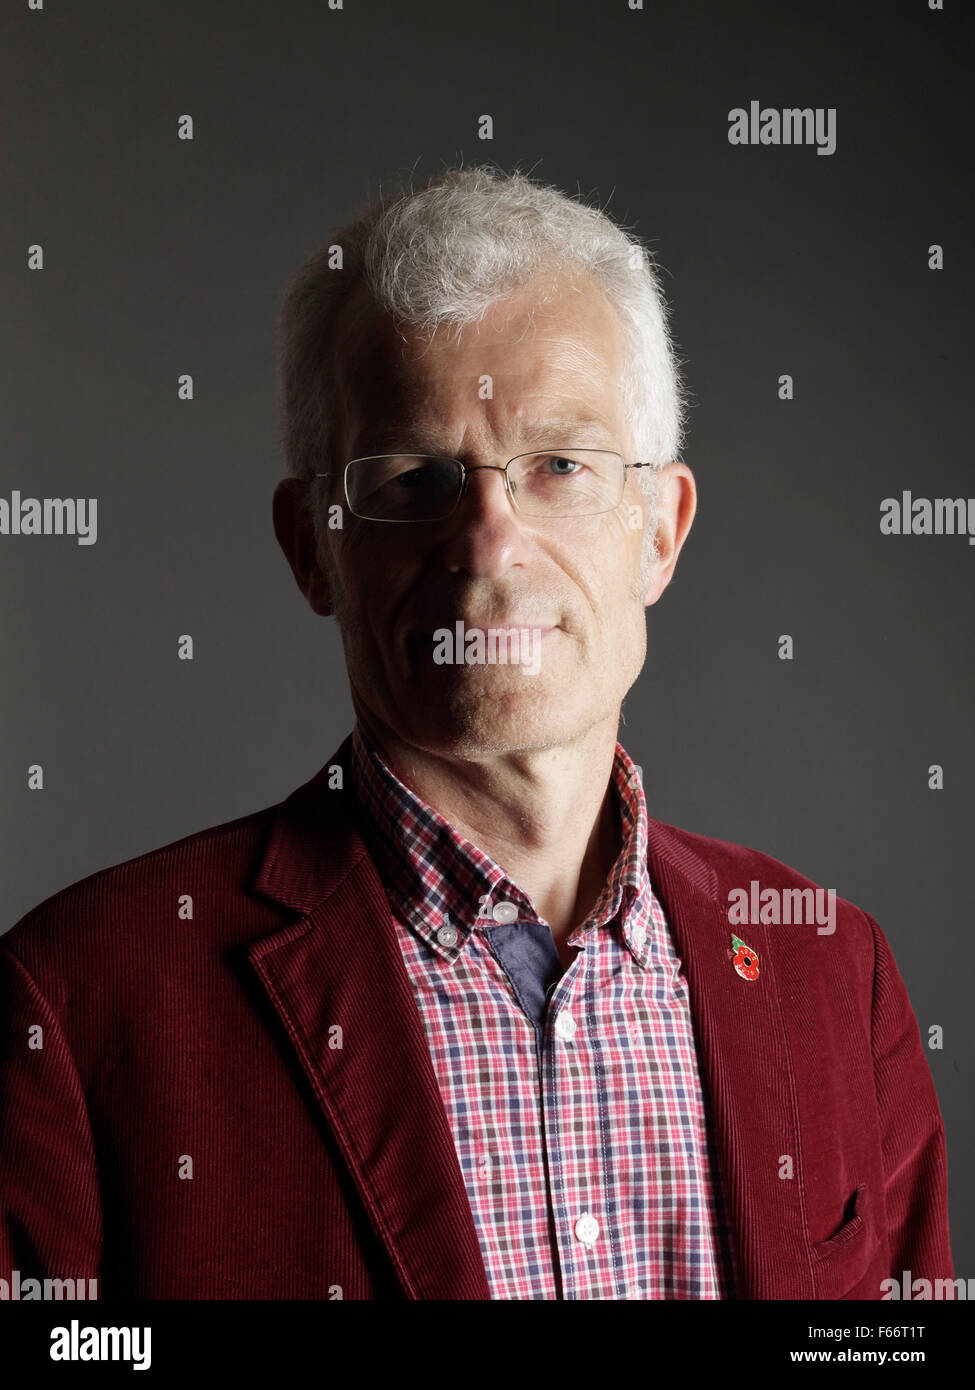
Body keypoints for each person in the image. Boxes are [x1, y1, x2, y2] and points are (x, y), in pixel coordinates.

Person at [0, 165, 953, 1300]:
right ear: (312, 546)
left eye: (561, 464)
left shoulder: (835, 972)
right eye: (415, 478)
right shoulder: (76, 997)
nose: (490, 542)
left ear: (661, 530)